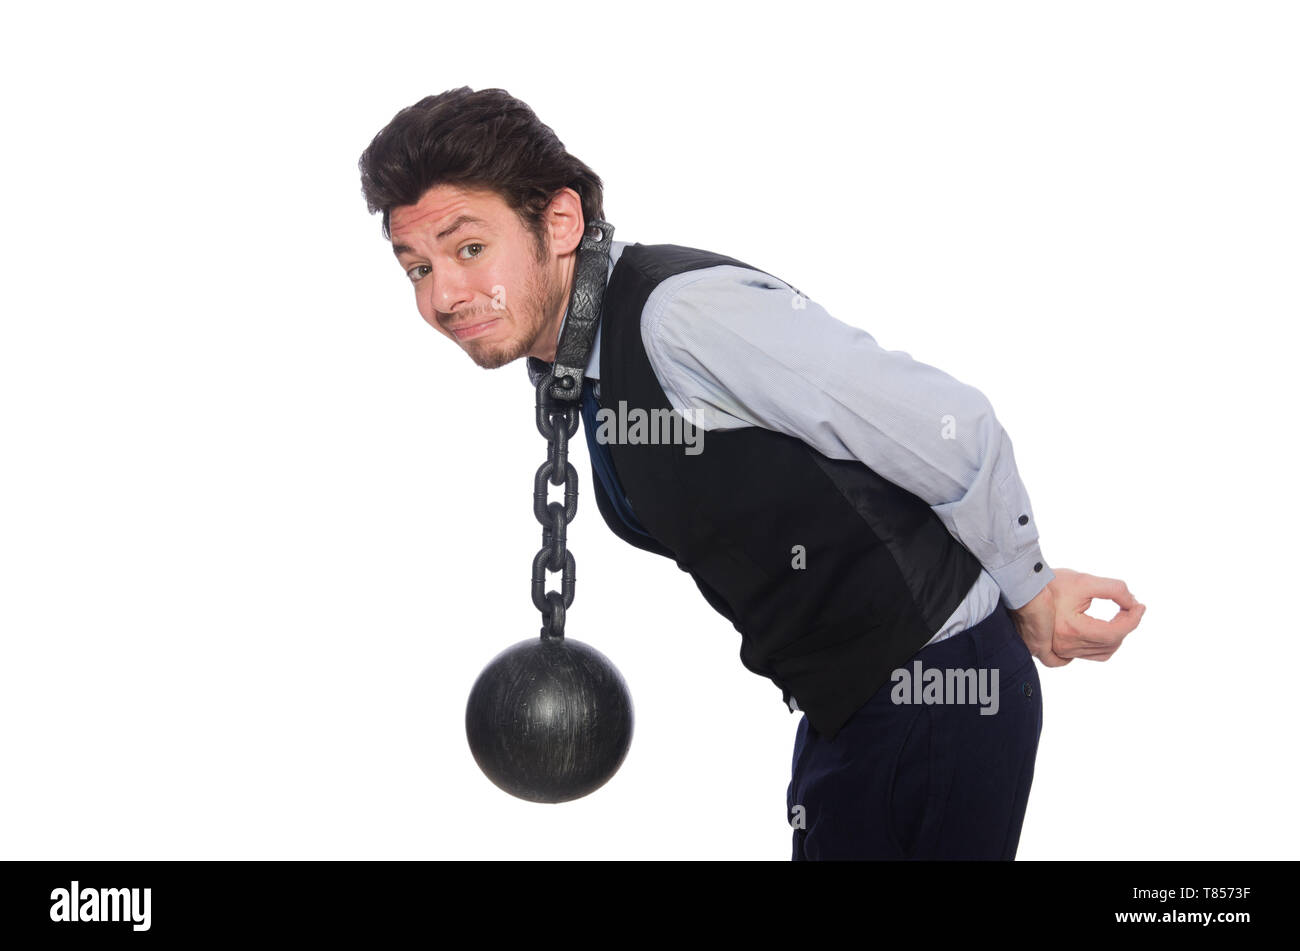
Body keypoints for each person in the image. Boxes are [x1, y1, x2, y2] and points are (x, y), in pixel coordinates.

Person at [357, 86, 1147, 859]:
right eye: (417, 269)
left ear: (560, 221)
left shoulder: (682, 316)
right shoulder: (578, 362)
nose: (446, 296)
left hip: (935, 694)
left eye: (468, 248)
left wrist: (1032, 587)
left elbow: (949, 423)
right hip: (851, 707)